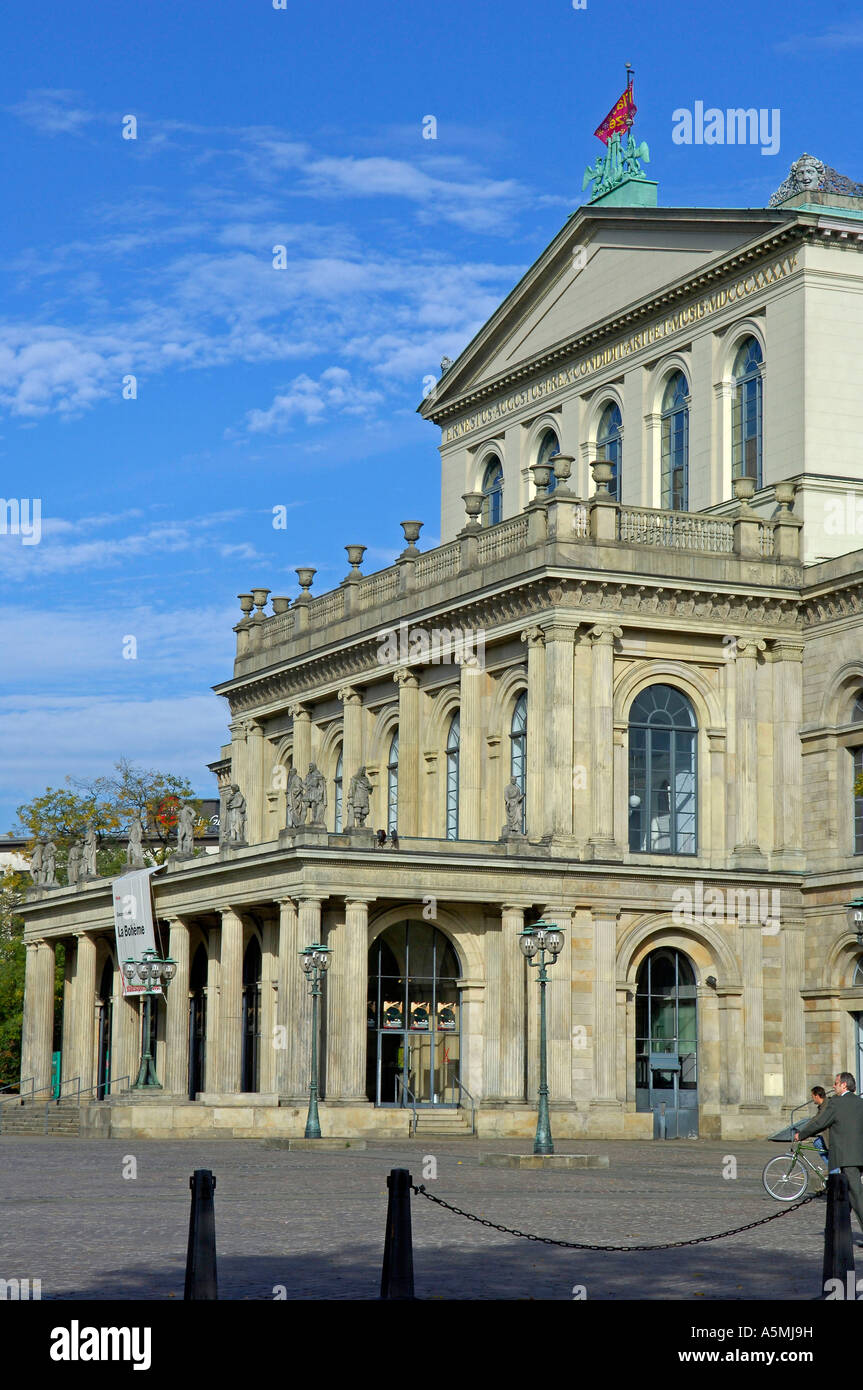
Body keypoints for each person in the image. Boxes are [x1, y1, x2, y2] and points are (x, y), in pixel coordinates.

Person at [795, 1072, 863, 1235]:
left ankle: (838, 1230)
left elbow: (820, 1122)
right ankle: (837, 1229)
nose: (833, 1086)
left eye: (836, 1083)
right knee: (847, 1194)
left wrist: (802, 1134)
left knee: (856, 1195)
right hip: (858, 1156)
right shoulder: (860, 1103)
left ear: (844, 1085)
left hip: (845, 1157)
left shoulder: (836, 1103)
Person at [809, 1086, 829, 1166]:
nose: (812, 1098)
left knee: (819, 1143)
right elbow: (814, 1120)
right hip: (829, 1136)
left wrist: (802, 1134)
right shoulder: (823, 1106)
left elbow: (817, 1122)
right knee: (817, 1143)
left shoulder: (826, 1106)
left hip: (834, 1138)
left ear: (817, 1096)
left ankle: (833, 1170)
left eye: (812, 1096)